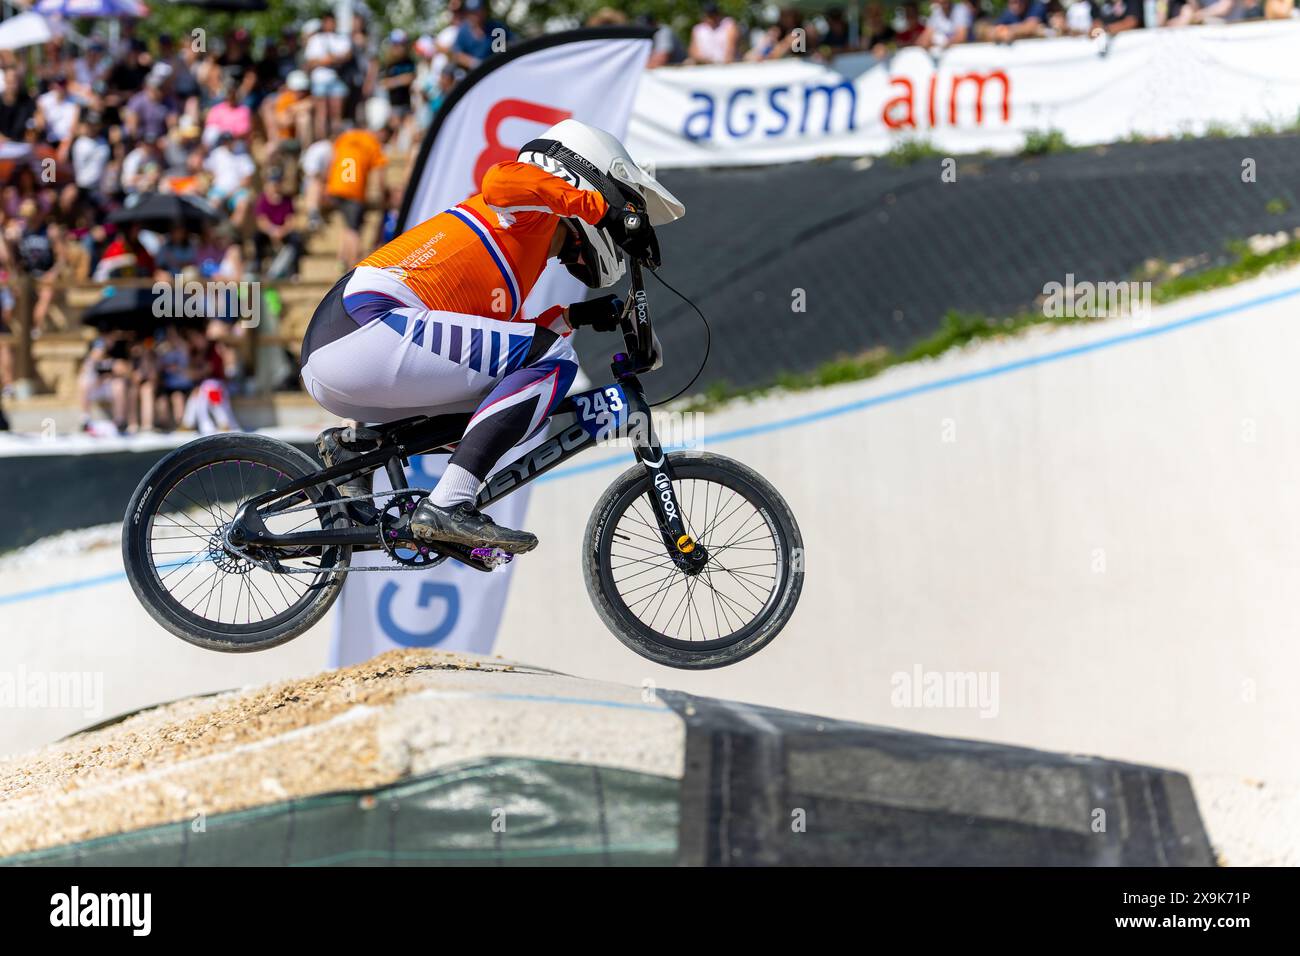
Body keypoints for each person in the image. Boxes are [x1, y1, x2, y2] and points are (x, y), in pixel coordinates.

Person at [298, 120, 685, 553]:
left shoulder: (523, 262)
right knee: (555, 362)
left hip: (350, 349)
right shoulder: (530, 211)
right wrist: (601, 209)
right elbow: (500, 180)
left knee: (511, 398)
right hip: (364, 323)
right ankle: (447, 505)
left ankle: (357, 451)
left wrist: (580, 314)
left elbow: (514, 344)